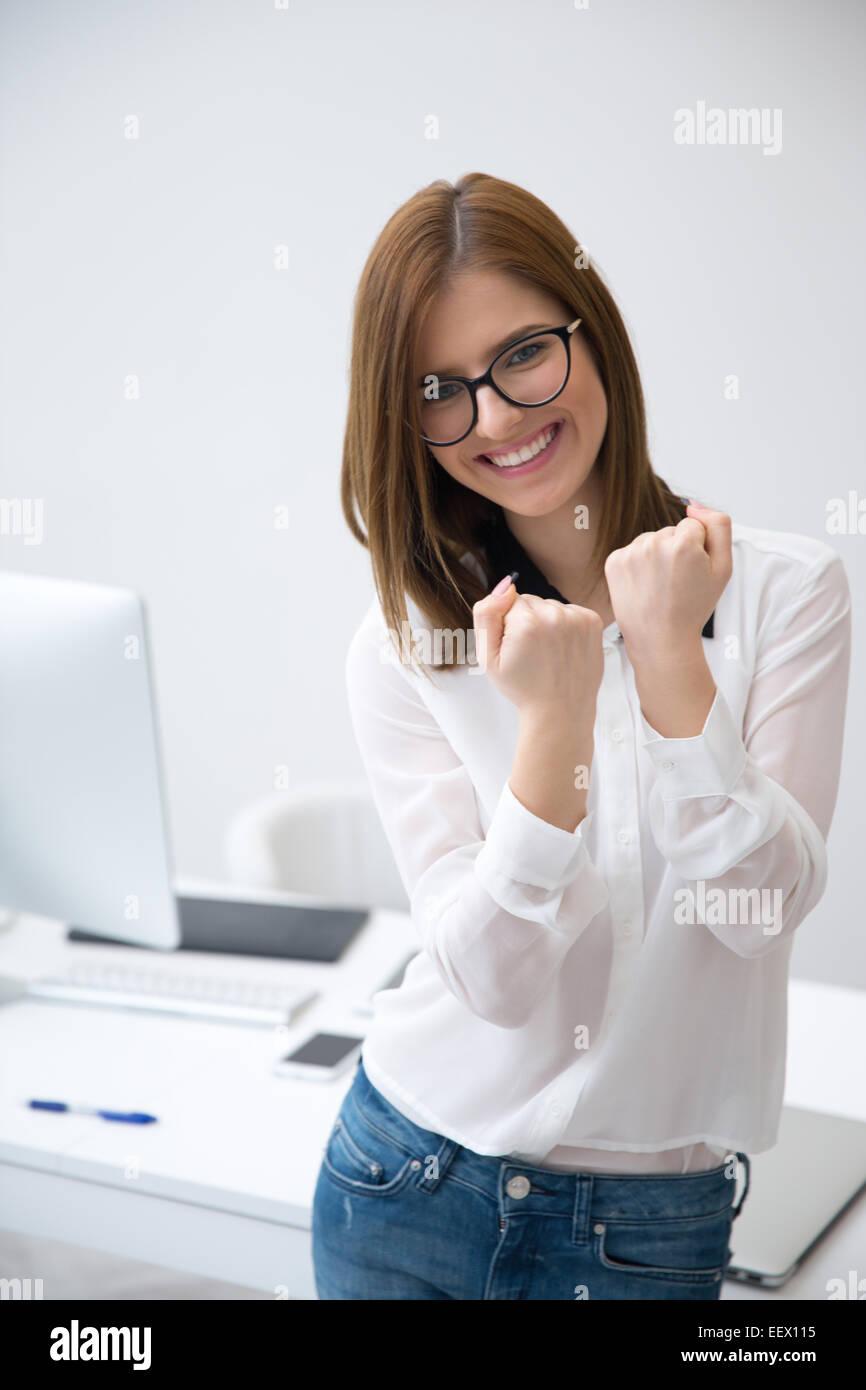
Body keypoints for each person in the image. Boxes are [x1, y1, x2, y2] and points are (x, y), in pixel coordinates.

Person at [311, 172, 851, 1300]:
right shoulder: (407, 644)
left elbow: (758, 911)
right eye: (438, 390)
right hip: (402, 1177)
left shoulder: (785, 593)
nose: (497, 419)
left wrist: (666, 664)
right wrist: (551, 728)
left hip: (647, 1229)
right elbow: (487, 979)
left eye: (521, 355)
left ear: (588, 330)